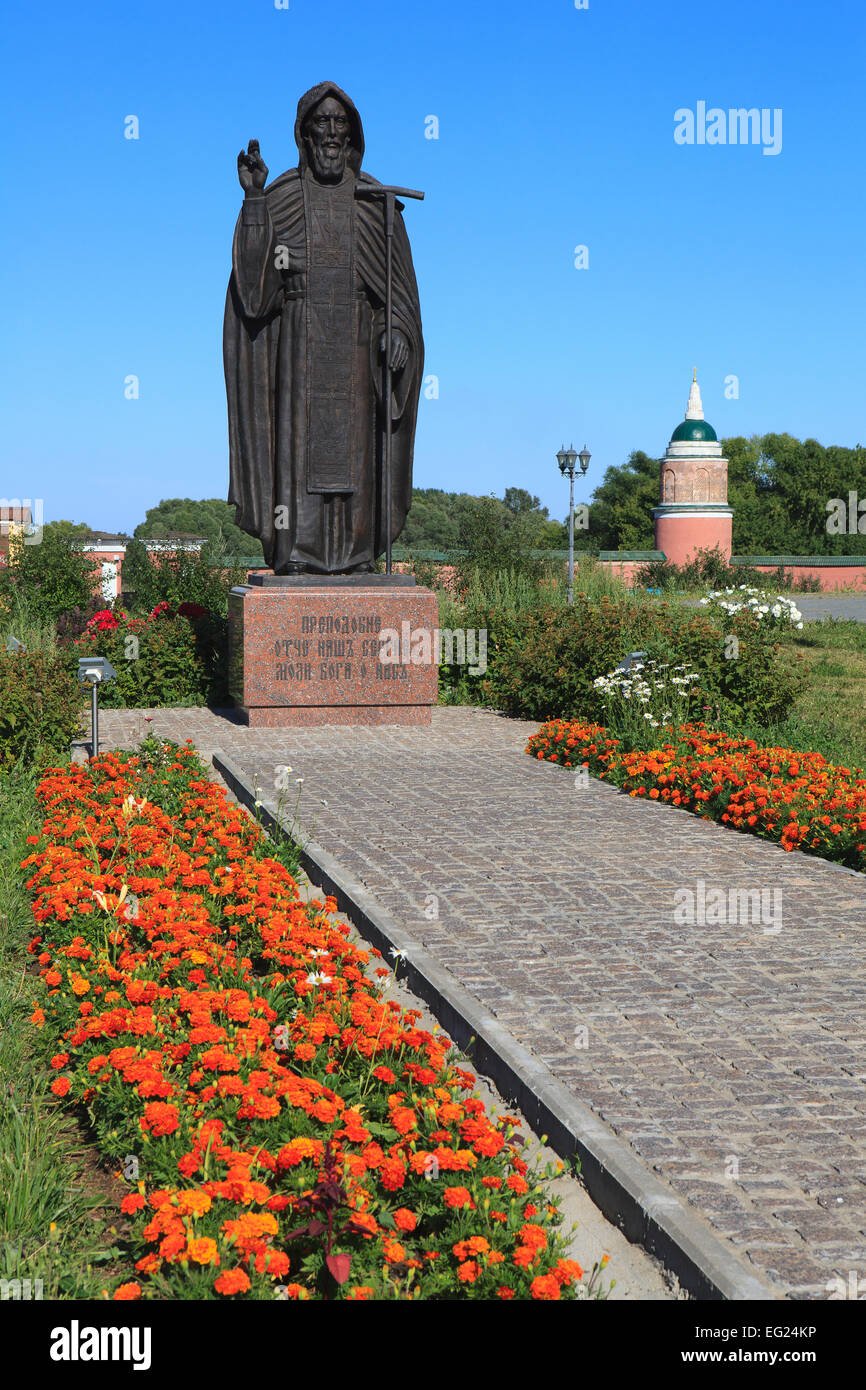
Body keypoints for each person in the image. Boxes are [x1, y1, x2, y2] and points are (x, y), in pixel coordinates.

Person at [223, 81, 424, 574]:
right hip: (298, 353)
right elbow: (253, 296)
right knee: (297, 450)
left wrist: (396, 335)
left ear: (352, 136)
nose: (332, 133)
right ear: (305, 134)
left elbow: (399, 300)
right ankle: (296, 551)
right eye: (322, 123)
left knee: (357, 452)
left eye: (340, 124)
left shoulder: (377, 205)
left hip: (357, 357)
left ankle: (357, 555)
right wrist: (253, 202)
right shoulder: (280, 199)